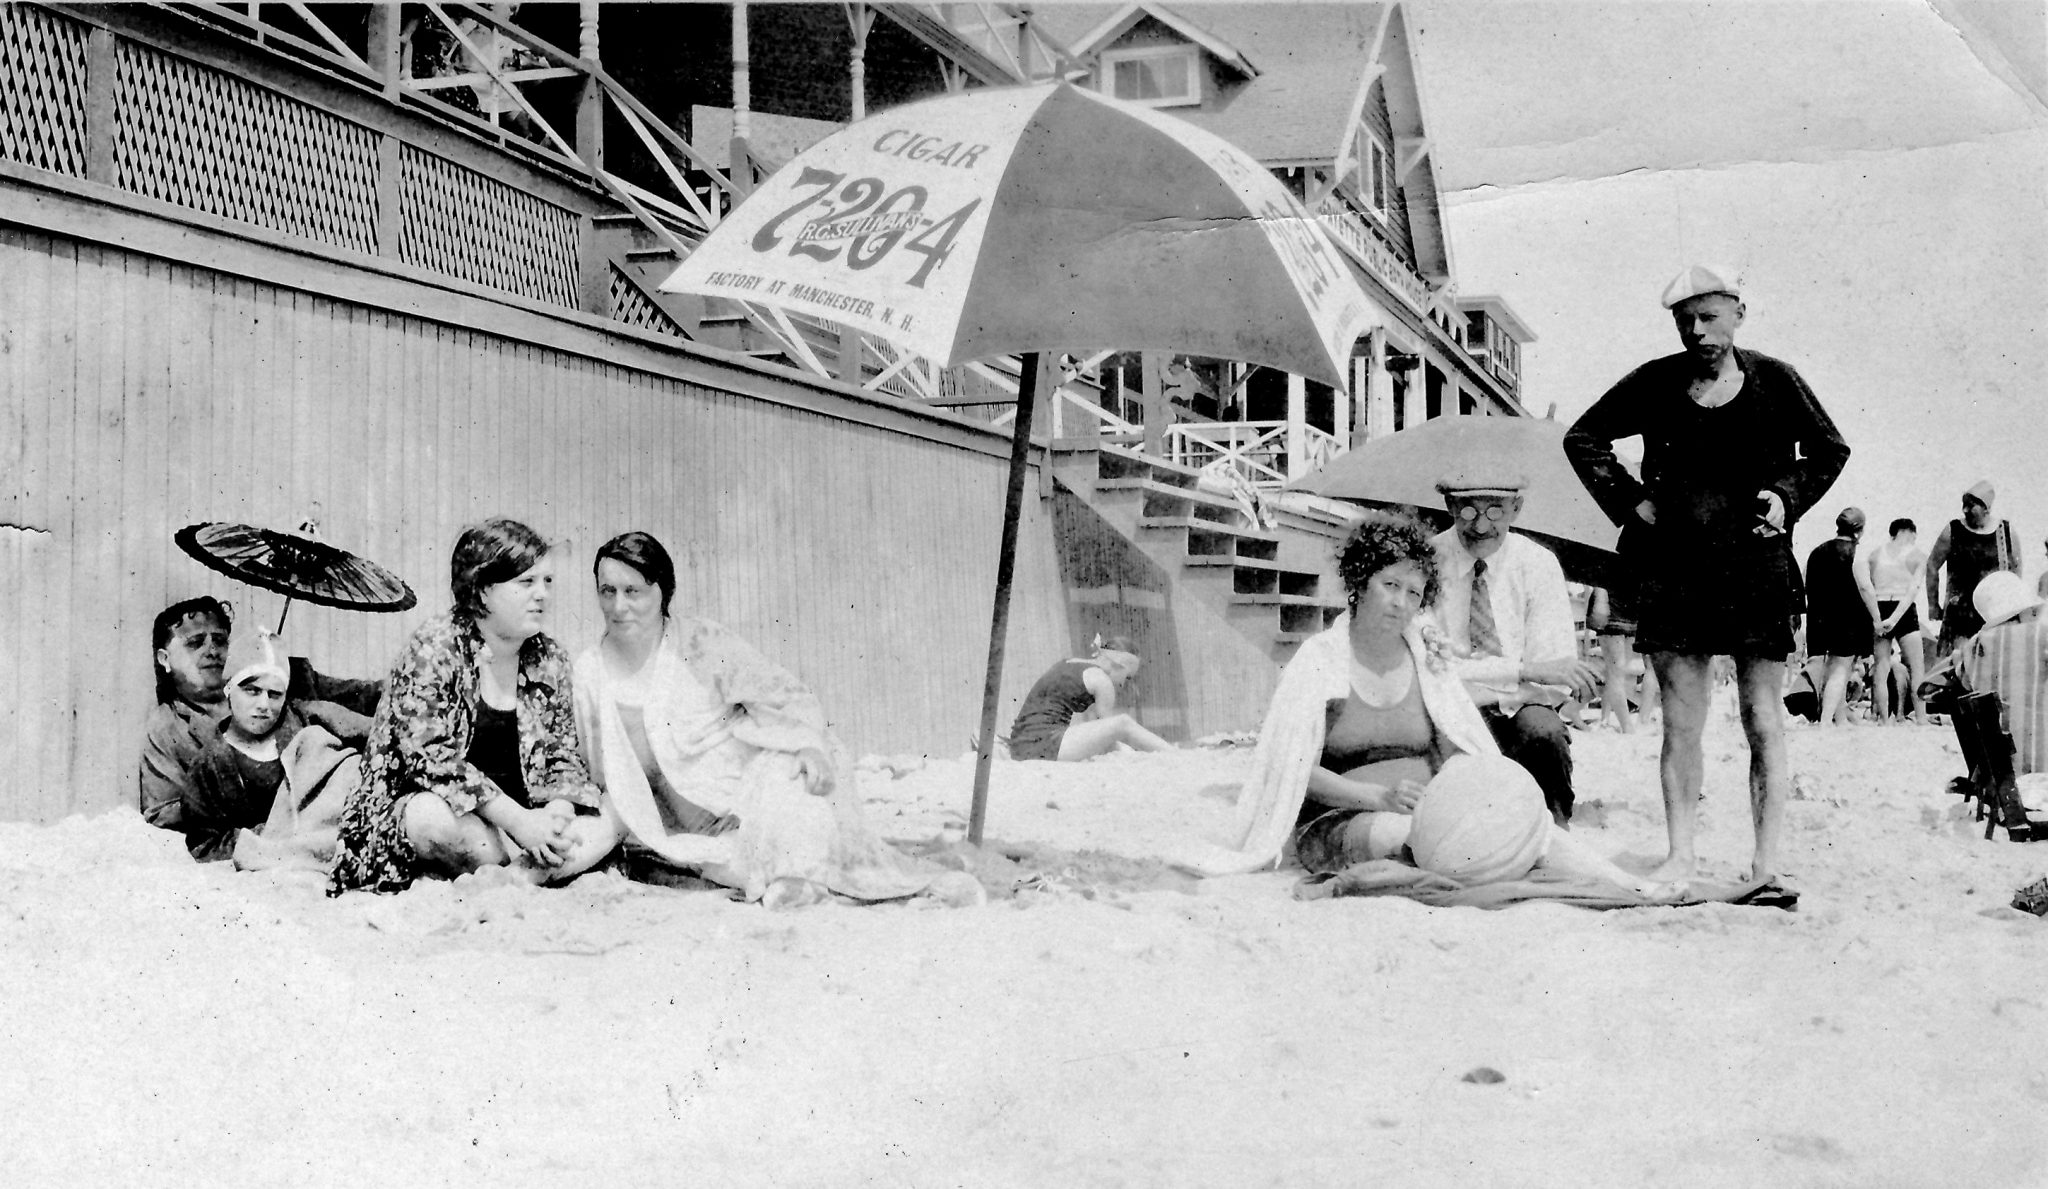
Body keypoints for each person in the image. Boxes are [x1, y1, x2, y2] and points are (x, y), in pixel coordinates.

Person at [1176, 512, 1672, 896]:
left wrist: (1468, 792)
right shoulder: (1321, 660)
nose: (1401, 602)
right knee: (1424, 839)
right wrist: (1376, 798)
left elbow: (1454, 743)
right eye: (1389, 585)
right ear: (1359, 583)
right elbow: (1292, 769)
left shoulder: (1424, 657)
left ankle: (1631, 888)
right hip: (1341, 819)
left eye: (1414, 593)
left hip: (1428, 804)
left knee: (1522, 828)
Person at [1564, 264, 1850, 881]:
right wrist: (1630, 501)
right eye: (1684, 320)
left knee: (1763, 717)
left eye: (1709, 317)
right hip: (1676, 569)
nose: (1696, 331)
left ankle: (1767, 861)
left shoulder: (1777, 380)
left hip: (1756, 567)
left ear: (1738, 313)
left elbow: (1829, 449)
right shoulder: (1655, 381)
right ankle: (1681, 854)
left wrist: (1786, 495)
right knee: (1681, 722)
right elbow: (1583, 437)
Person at [573, 532, 969, 905]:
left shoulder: (701, 643)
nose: (618, 606)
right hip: (664, 831)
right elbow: (592, 770)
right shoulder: (590, 669)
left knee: (792, 776)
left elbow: (784, 696)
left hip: (743, 806)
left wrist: (808, 746)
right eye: (607, 591)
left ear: (662, 592)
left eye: (633, 592)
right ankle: (790, 875)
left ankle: (798, 875)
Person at [331, 518, 620, 893]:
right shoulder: (433, 648)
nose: (543, 594)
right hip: (449, 812)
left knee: (622, 805)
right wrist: (519, 823)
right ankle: (535, 869)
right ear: (482, 591)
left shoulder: (549, 658)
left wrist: (557, 814)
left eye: (547, 581)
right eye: (526, 582)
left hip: (524, 819)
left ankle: (522, 873)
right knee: (430, 820)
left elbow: (560, 752)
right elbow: (432, 760)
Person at [139, 597, 380, 861]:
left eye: (219, 640)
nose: (212, 650)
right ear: (165, 659)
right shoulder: (168, 727)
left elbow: (365, 696)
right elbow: (161, 816)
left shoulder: (289, 676)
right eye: (195, 643)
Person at [1426, 470, 1600, 826]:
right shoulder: (1427, 561)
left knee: (1544, 734)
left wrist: (1524, 674)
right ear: (1448, 506)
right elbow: (1429, 667)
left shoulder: (1537, 564)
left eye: (1495, 511)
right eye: (1468, 511)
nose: (1480, 527)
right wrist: (1521, 670)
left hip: (1518, 705)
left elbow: (1552, 670)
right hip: (1448, 705)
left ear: (1517, 508)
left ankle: (1556, 828)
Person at [1007, 637, 1173, 761]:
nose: (1123, 684)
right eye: (1128, 677)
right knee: (1123, 723)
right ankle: (1175, 754)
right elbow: (1111, 733)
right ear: (1119, 664)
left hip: (1021, 742)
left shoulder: (1069, 662)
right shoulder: (1102, 680)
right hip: (1043, 746)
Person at [1957, 572, 2048, 776]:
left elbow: (1929, 686)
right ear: (2024, 609)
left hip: (2004, 774)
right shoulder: (2042, 638)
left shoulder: (1975, 645)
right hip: (2043, 770)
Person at [1803, 507, 1882, 725]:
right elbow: (1865, 589)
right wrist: (1876, 619)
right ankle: (1826, 721)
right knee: (1841, 670)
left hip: (1819, 618)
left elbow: (1807, 585)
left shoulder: (1817, 551)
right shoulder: (1856, 554)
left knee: (1831, 668)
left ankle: (1839, 718)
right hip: (1847, 620)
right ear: (1859, 530)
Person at [1925, 480, 2020, 654]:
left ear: (1986, 508)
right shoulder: (1953, 530)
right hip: (1960, 615)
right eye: (1964, 505)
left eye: (1971, 505)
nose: (1965, 510)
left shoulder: (2005, 532)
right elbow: (1931, 566)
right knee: (1958, 667)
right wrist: (1933, 605)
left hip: (1994, 614)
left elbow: (2016, 575)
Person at [1868, 518, 1928, 723]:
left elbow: (1869, 587)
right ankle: (1921, 718)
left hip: (1880, 606)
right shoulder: (1917, 555)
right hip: (1903, 609)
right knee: (1917, 667)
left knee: (1881, 667)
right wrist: (1895, 619)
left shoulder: (1875, 555)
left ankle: (1882, 718)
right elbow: (1913, 591)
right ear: (1911, 532)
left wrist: (1880, 618)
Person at [1589, 585, 1657, 732]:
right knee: (1616, 671)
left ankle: (1616, 723)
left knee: (1615, 672)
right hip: (1621, 607)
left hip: (1622, 608)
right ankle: (1618, 723)